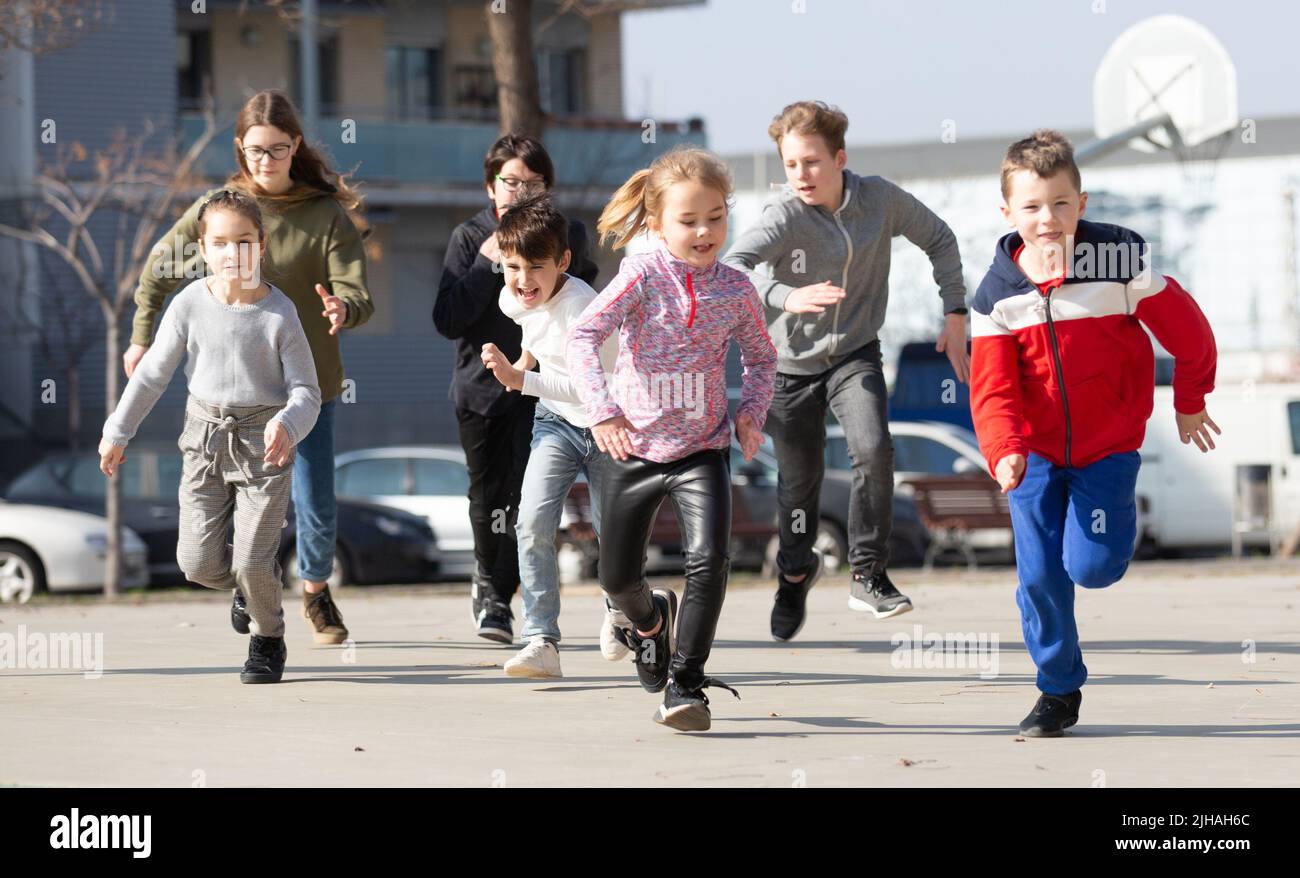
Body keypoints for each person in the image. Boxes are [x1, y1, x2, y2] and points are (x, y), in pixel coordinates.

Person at [969, 129, 1219, 736]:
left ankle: (1100, 544)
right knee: (1038, 575)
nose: (1047, 219)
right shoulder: (997, 296)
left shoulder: (1120, 264)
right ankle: (1057, 690)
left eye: (1059, 204)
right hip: (1032, 457)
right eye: (1031, 206)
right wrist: (1004, 451)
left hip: (1107, 450)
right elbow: (992, 390)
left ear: (1081, 203)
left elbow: (1190, 334)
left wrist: (1190, 400)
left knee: (1094, 567)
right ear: (1007, 212)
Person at [127, 89, 372, 646]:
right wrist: (143, 336)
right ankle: (252, 580)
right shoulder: (220, 211)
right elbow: (158, 271)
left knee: (315, 496)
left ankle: (314, 593)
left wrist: (343, 307)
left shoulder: (322, 212)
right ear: (241, 149)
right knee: (229, 503)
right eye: (255, 151)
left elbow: (356, 289)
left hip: (308, 386)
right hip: (233, 400)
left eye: (278, 149)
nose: (266, 161)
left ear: (295, 147)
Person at [723, 100, 968, 641]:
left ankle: (868, 573)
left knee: (874, 446)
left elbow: (941, 238)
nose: (800, 176)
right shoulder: (784, 216)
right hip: (788, 368)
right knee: (799, 489)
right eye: (790, 165)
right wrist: (787, 295)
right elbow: (732, 269)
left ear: (839, 158)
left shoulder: (879, 199)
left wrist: (955, 313)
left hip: (855, 354)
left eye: (810, 163)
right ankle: (793, 572)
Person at [567, 146, 777, 731]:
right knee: (616, 579)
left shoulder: (736, 290)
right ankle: (651, 622)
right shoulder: (639, 276)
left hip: (703, 450)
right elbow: (584, 338)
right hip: (629, 448)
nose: (705, 231)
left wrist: (751, 413)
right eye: (689, 221)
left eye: (716, 217)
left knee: (710, 560)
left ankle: (686, 684)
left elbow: (762, 359)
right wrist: (602, 410)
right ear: (657, 223)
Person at [101, 190, 320, 684]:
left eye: (243, 242)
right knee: (196, 564)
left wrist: (286, 424)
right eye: (220, 243)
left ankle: (267, 639)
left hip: (266, 444)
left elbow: (308, 390)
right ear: (203, 249)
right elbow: (153, 375)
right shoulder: (189, 304)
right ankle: (249, 586)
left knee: (251, 558)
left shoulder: (280, 313)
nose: (232, 253)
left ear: (261, 246)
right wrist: (119, 429)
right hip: (203, 440)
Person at [433, 134, 599, 643]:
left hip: (545, 387)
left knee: (529, 497)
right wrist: (490, 263)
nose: (521, 192)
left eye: (534, 184)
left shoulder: (564, 234)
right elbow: (448, 318)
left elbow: (584, 301)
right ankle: (490, 588)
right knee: (488, 498)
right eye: (511, 182)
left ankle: (508, 600)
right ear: (491, 187)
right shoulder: (470, 237)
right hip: (481, 388)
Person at [479, 193, 619, 678]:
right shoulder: (512, 295)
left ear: (562, 261)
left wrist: (523, 382)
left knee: (612, 529)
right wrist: (522, 363)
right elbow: (534, 334)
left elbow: (590, 388)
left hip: (608, 423)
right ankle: (542, 641)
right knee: (532, 521)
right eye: (512, 266)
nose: (522, 281)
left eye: (535, 267)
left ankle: (622, 612)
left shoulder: (583, 308)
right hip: (556, 422)